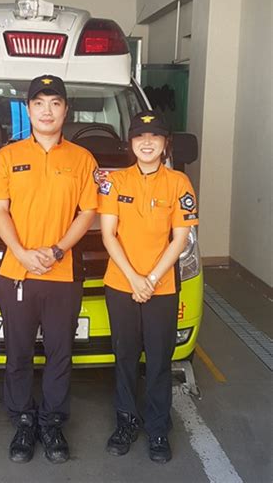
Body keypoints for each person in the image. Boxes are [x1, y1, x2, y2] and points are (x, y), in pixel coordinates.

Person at [0, 75, 98, 464]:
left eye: (55, 103)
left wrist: (57, 249)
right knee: (17, 352)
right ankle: (22, 421)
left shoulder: (82, 159)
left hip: (63, 274)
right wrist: (21, 252)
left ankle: (51, 422)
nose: (46, 111)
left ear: (66, 110)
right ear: (28, 109)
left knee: (59, 353)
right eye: (39, 103)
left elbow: (88, 211)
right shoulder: (8, 157)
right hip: (17, 273)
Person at [98, 111, 199, 463]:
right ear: (130, 143)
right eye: (140, 136)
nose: (146, 142)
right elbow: (108, 235)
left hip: (162, 287)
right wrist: (134, 278)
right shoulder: (115, 182)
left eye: (154, 136)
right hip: (121, 284)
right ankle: (125, 421)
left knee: (158, 359)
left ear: (165, 143)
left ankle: (157, 428)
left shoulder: (179, 184)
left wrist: (151, 279)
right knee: (125, 356)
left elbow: (179, 239)